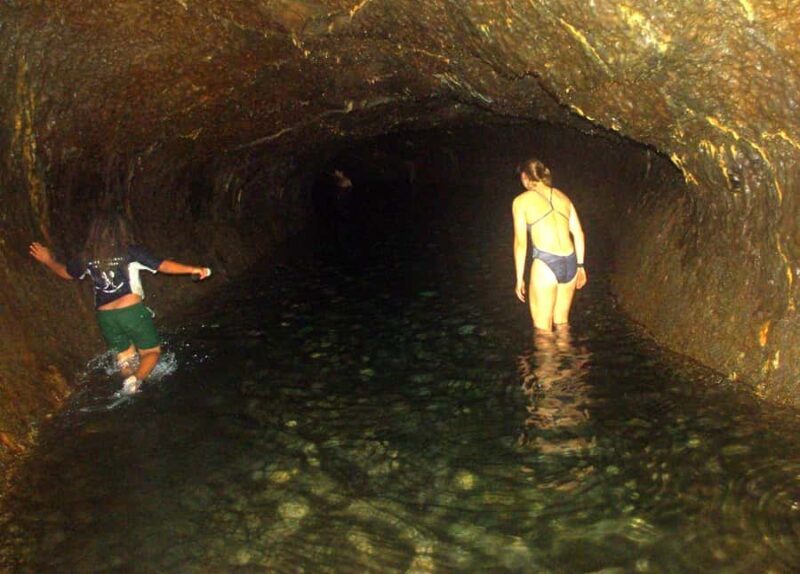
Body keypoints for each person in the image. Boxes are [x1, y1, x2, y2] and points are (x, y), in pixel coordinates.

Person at [29, 211, 211, 395]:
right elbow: (162, 265)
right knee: (151, 352)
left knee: (126, 358)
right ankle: (136, 379)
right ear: (122, 230)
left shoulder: (87, 257)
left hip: (106, 317)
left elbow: (66, 273)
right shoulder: (131, 252)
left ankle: (129, 385)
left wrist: (48, 260)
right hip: (130, 311)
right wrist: (193, 269)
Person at [513, 159, 587, 332]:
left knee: (543, 331)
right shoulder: (563, 197)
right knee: (562, 324)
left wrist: (519, 278)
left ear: (524, 177)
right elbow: (579, 233)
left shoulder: (521, 201)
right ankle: (567, 349)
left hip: (546, 263)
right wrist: (581, 266)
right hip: (570, 262)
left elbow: (520, 243)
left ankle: (547, 351)